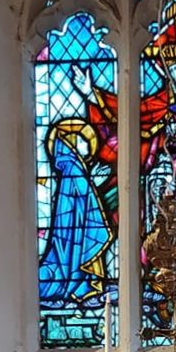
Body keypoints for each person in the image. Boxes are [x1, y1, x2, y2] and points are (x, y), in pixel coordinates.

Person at [39, 121, 114, 305]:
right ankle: (77, 285)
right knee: (70, 254)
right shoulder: (73, 168)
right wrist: (94, 178)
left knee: (73, 252)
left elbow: (84, 196)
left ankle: (79, 283)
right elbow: (83, 194)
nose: (86, 146)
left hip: (77, 221)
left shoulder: (73, 168)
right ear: (70, 142)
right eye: (81, 141)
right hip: (75, 223)